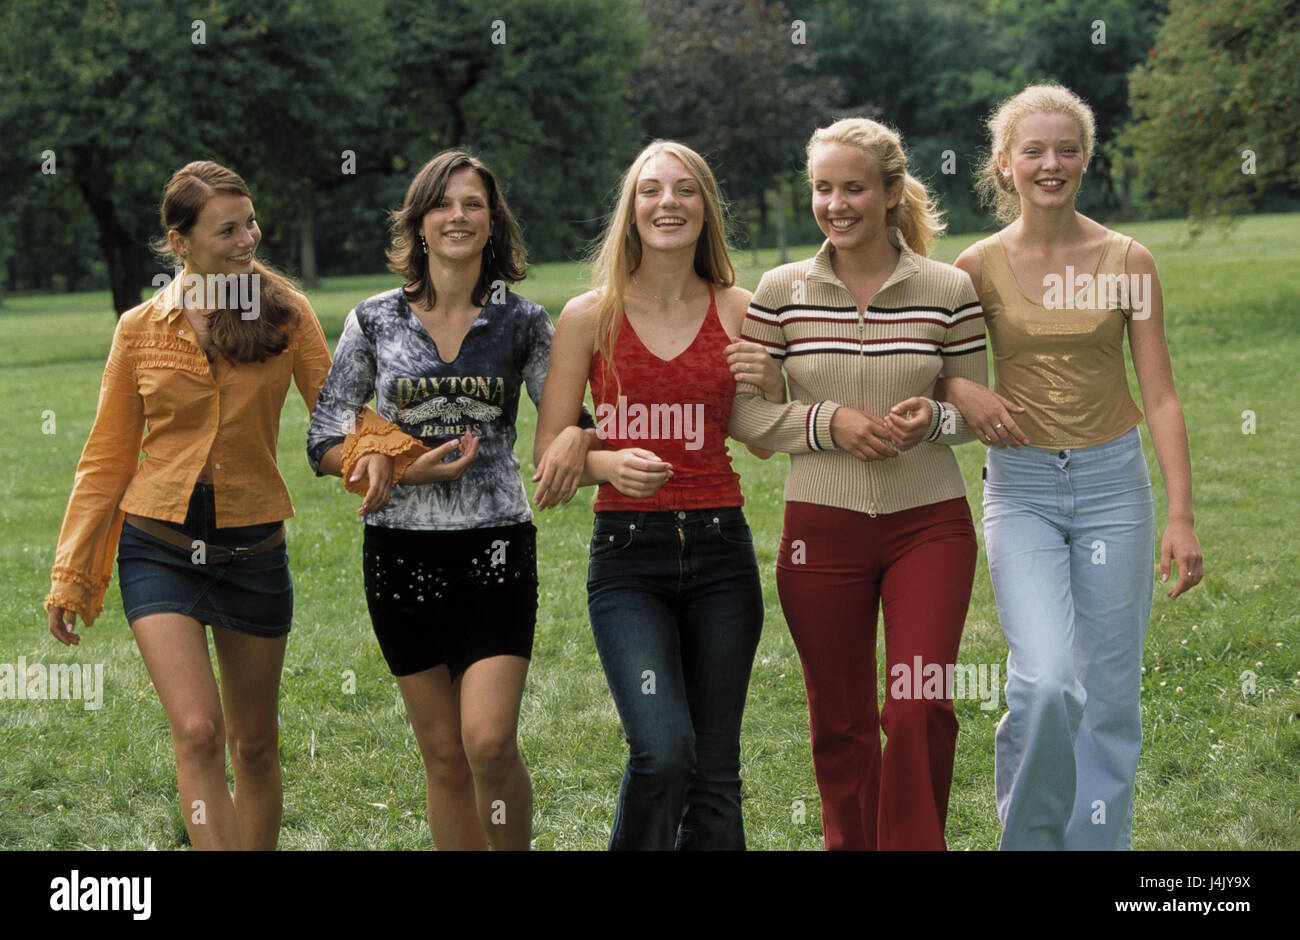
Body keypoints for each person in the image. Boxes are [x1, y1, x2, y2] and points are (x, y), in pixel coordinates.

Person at [44, 160, 413, 850]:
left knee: (254, 745)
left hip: (252, 550)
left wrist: (389, 454)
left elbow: (334, 413)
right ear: (179, 241)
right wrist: (71, 571)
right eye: (228, 229)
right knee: (197, 731)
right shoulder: (139, 329)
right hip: (158, 545)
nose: (249, 238)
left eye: (250, 223)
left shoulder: (285, 313)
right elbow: (106, 458)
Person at [939, 83, 1203, 850]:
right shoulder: (976, 266)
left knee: (1110, 697)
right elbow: (943, 370)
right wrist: (964, 388)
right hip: (1019, 488)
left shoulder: (1129, 258)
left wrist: (1180, 515)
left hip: (1114, 487)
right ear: (1004, 163)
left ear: (1085, 158)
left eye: (1066, 149)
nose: (1050, 164)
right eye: (1034, 150)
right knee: (1046, 681)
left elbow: (1160, 395)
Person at [306, 150, 591, 850]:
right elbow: (323, 436)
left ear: (492, 223)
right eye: (444, 203)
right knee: (443, 755)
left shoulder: (523, 322)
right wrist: (387, 465)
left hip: (495, 546)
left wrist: (580, 445)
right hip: (400, 551)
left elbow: (568, 423)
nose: (458, 215)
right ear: (420, 223)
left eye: (473, 203)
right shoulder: (374, 320)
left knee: (489, 743)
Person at [728, 118, 989, 850]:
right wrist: (828, 423)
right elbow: (748, 415)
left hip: (929, 523)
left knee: (918, 704)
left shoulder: (949, 289)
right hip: (820, 530)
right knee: (839, 721)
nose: (835, 204)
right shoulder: (780, 291)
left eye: (852, 188)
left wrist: (930, 418)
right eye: (822, 188)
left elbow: (971, 408)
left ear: (891, 191)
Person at [533, 140, 784, 850]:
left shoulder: (740, 308)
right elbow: (549, 458)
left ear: (706, 209)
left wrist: (769, 380)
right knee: (663, 751)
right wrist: (605, 460)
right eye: (650, 190)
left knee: (715, 771)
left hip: (721, 555)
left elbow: (763, 440)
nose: (667, 202)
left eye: (684, 190)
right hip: (628, 558)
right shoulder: (589, 316)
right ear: (631, 209)